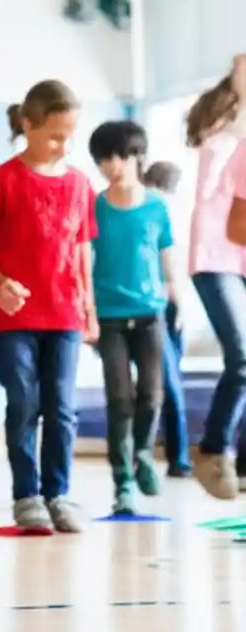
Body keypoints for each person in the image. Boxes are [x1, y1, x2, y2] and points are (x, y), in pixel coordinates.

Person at [0, 81, 96, 533]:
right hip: (13, 318)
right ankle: (26, 494)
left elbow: (83, 249)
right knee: (24, 401)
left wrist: (90, 308)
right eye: (53, 135)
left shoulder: (80, 183)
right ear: (27, 125)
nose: (62, 145)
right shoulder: (2, 180)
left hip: (65, 314)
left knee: (61, 406)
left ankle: (58, 492)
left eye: (69, 136)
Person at [88, 121, 176, 514]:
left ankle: (142, 454)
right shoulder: (96, 206)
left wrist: (179, 299)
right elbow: (83, 260)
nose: (111, 165)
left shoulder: (157, 206)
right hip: (108, 316)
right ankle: (122, 481)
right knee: (119, 398)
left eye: (118, 156)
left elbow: (165, 254)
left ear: (137, 156)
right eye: (103, 158)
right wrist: (85, 310)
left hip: (150, 314)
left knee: (153, 394)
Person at [188, 54, 246, 499]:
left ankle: (240, 464)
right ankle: (212, 448)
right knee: (241, 356)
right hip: (214, 259)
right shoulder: (223, 144)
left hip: (235, 259)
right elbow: (214, 204)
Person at [140, 160, 193, 477]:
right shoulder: (154, 206)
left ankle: (175, 456)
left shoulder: (159, 207)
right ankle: (179, 457)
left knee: (163, 383)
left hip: (168, 303)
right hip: (157, 304)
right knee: (168, 384)